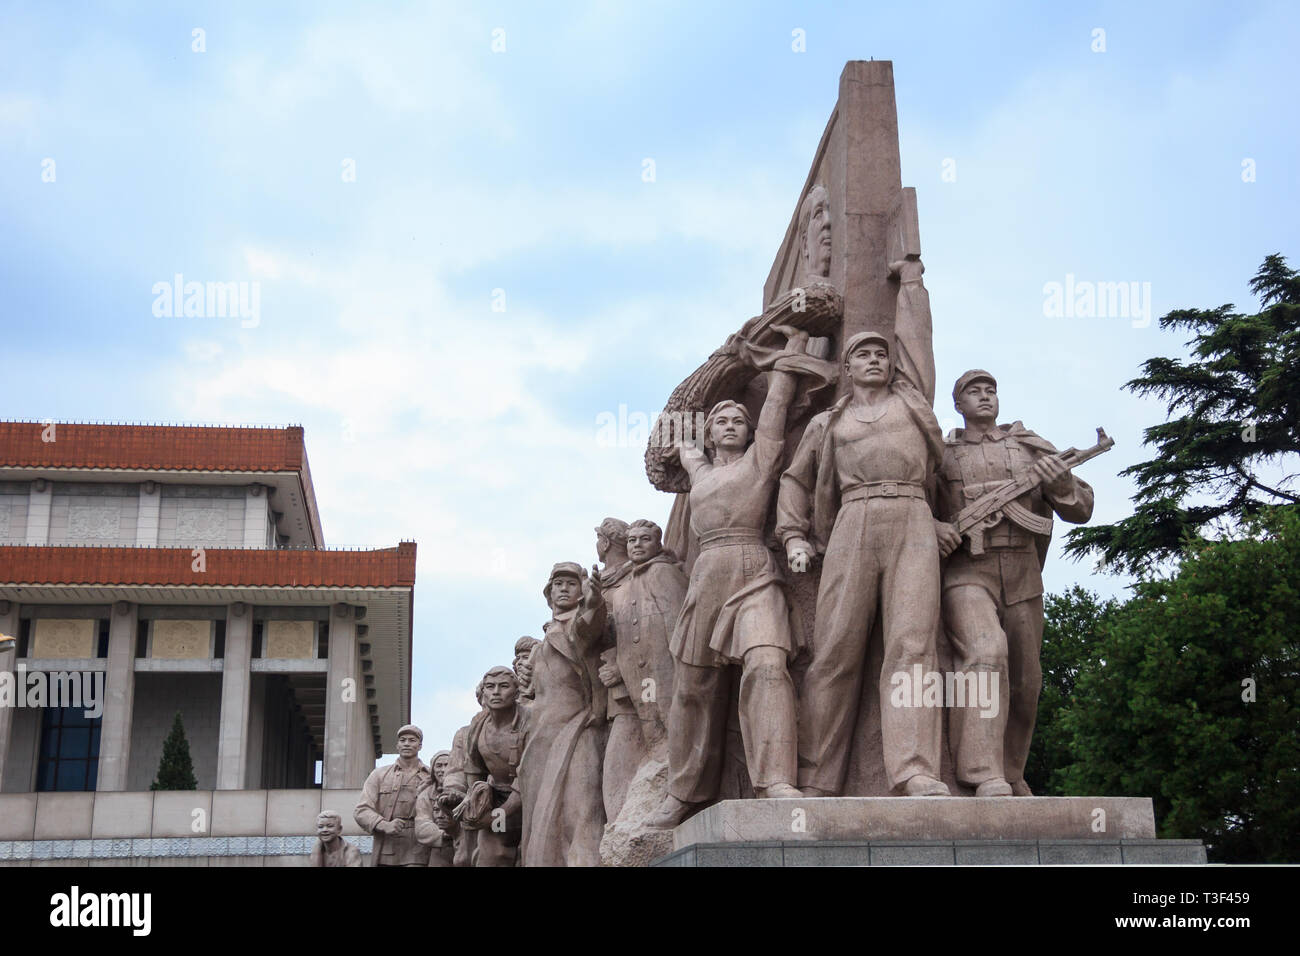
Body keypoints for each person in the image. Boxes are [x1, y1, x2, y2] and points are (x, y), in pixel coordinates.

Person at [777, 253, 954, 798]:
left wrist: (912, 280)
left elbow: (916, 341)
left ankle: (915, 769)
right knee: (834, 650)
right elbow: (794, 479)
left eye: (880, 353)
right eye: (862, 354)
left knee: (912, 645)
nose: (874, 358)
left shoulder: (913, 403)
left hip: (911, 517)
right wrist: (793, 535)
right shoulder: (830, 422)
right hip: (851, 522)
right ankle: (817, 780)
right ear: (848, 369)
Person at [646, 324, 826, 829]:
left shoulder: (761, 462)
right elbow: (668, 442)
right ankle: (683, 793)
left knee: (768, 667)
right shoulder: (697, 473)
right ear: (707, 434)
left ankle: (776, 780)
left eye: (737, 420)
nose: (730, 424)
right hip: (707, 577)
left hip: (753, 570)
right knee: (693, 688)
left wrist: (790, 353)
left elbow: (773, 414)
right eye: (721, 420)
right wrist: (728, 362)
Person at [935, 369, 1094, 796]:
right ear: (958, 405)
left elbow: (1081, 508)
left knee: (1027, 681)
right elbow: (915, 503)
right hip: (967, 570)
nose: (985, 397)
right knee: (987, 654)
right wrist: (935, 527)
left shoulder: (1030, 448)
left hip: (1023, 572)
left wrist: (1060, 484)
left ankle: (1011, 772)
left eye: (991, 390)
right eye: (974, 391)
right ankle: (982, 772)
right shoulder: (941, 454)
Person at [517, 563, 608, 866]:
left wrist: (595, 600)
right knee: (541, 820)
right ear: (549, 592)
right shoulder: (545, 638)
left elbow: (589, 626)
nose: (564, 588)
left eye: (571, 583)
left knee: (580, 813)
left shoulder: (576, 626)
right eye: (558, 584)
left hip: (578, 728)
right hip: (542, 737)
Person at [598, 518, 687, 819]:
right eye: (633, 540)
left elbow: (678, 620)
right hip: (637, 672)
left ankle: (678, 789)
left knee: (674, 723)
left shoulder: (663, 573)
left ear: (657, 543)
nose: (637, 545)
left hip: (664, 666)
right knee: (652, 730)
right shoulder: (626, 584)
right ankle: (662, 781)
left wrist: (682, 663)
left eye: (644, 539)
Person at [438, 666, 524, 866]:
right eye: (489, 688)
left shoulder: (528, 720)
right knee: (488, 855)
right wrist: (466, 798)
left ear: (516, 693)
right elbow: (465, 770)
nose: (495, 693)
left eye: (503, 687)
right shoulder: (473, 729)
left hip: (525, 801)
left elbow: (528, 774)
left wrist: (499, 814)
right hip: (491, 801)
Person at [353, 725, 431, 866]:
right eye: (403, 740)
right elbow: (361, 810)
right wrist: (383, 824)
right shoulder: (379, 775)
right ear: (397, 745)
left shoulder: (431, 776)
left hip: (420, 846)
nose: (406, 743)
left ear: (420, 746)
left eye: (412, 740)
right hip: (387, 848)